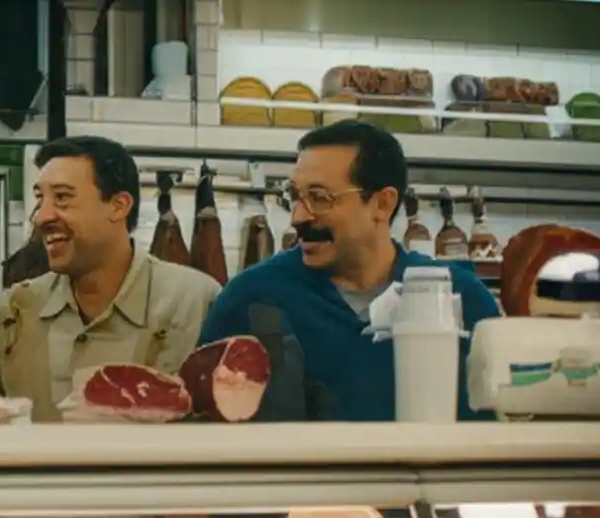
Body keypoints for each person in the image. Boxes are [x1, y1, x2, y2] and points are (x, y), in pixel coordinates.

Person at [0, 135, 221, 518]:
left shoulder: (194, 300)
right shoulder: (18, 309)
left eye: (63, 198)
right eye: (40, 198)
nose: (43, 215)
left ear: (119, 205)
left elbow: (200, 466)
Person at [197, 119, 501, 421]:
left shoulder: (461, 299)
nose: (298, 217)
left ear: (382, 204)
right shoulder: (250, 298)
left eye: (319, 198)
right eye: (294, 197)